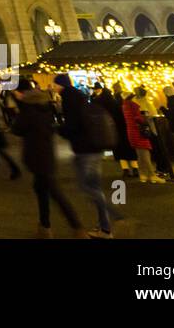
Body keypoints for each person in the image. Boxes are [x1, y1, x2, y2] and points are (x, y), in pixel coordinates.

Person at [11, 79, 87, 238]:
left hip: (37, 156)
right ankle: (44, 226)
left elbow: (17, 129)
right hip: (46, 154)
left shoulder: (28, 110)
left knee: (54, 192)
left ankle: (77, 227)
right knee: (41, 190)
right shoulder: (43, 107)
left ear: (22, 93)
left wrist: (21, 105)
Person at [54, 74, 119, 238]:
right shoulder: (80, 97)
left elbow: (73, 126)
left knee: (87, 187)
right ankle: (105, 228)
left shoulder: (69, 99)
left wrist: (58, 129)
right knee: (95, 187)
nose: (53, 87)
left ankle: (117, 217)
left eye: (55, 84)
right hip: (94, 147)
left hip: (85, 149)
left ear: (60, 85)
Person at [121, 91, 164, 183]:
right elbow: (138, 118)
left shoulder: (125, 106)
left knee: (140, 155)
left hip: (132, 132)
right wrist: (144, 119)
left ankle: (143, 175)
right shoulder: (133, 106)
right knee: (145, 154)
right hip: (139, 132)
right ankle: (152, 175)